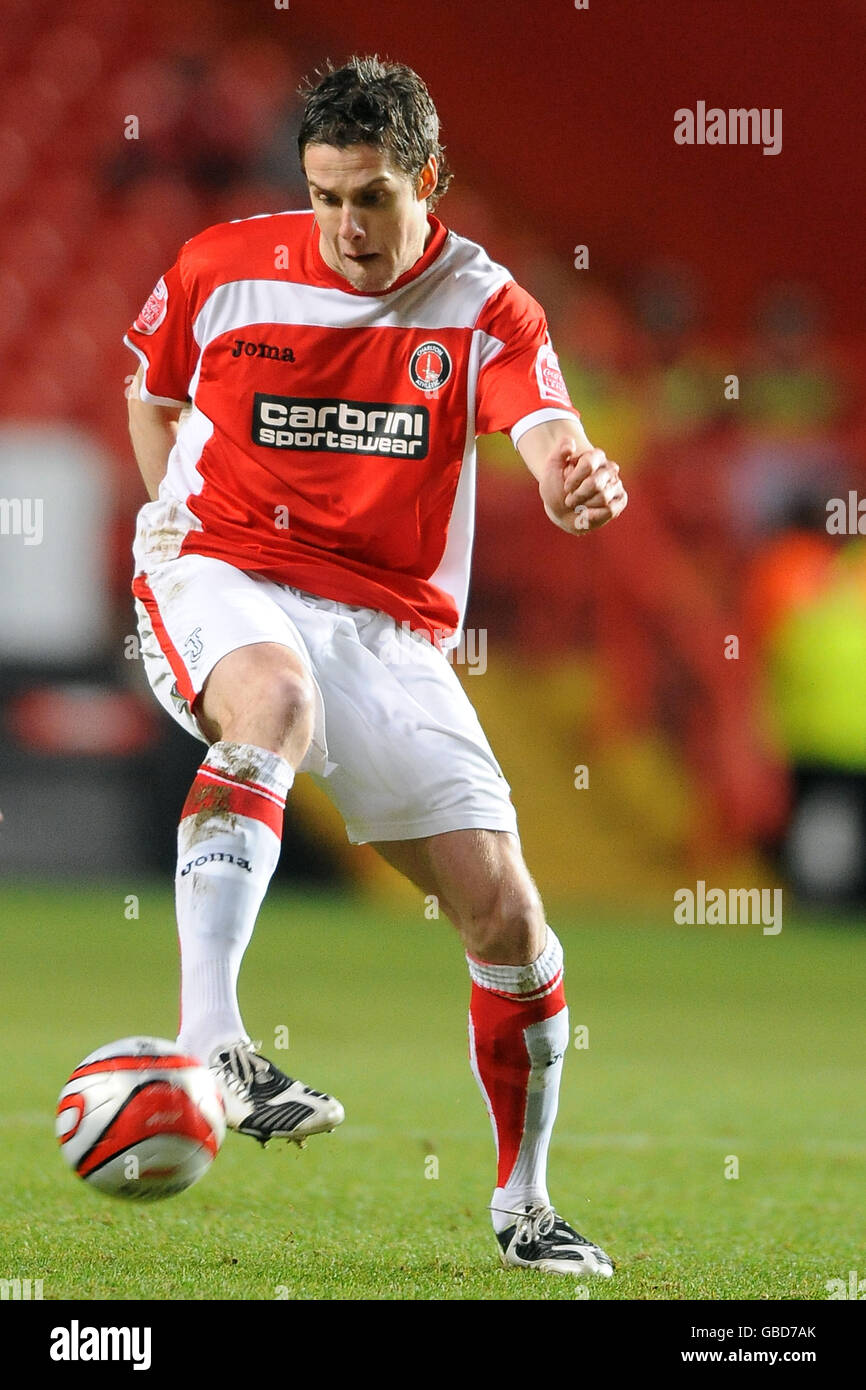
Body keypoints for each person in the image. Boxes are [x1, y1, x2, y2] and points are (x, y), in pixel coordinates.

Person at [125, 55, 627, 1278]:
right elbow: (153, 389)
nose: (347, 226)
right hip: (222, 572)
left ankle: (524, 1203)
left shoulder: (485, 304)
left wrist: (571, 473)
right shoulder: (221, 266)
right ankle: (211, 1040)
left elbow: (546, 425)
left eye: (374, 198)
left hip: (388, 627)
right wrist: (169, 519)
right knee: (273, 701)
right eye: (326, 195)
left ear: (430, 183)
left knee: (507, 916)